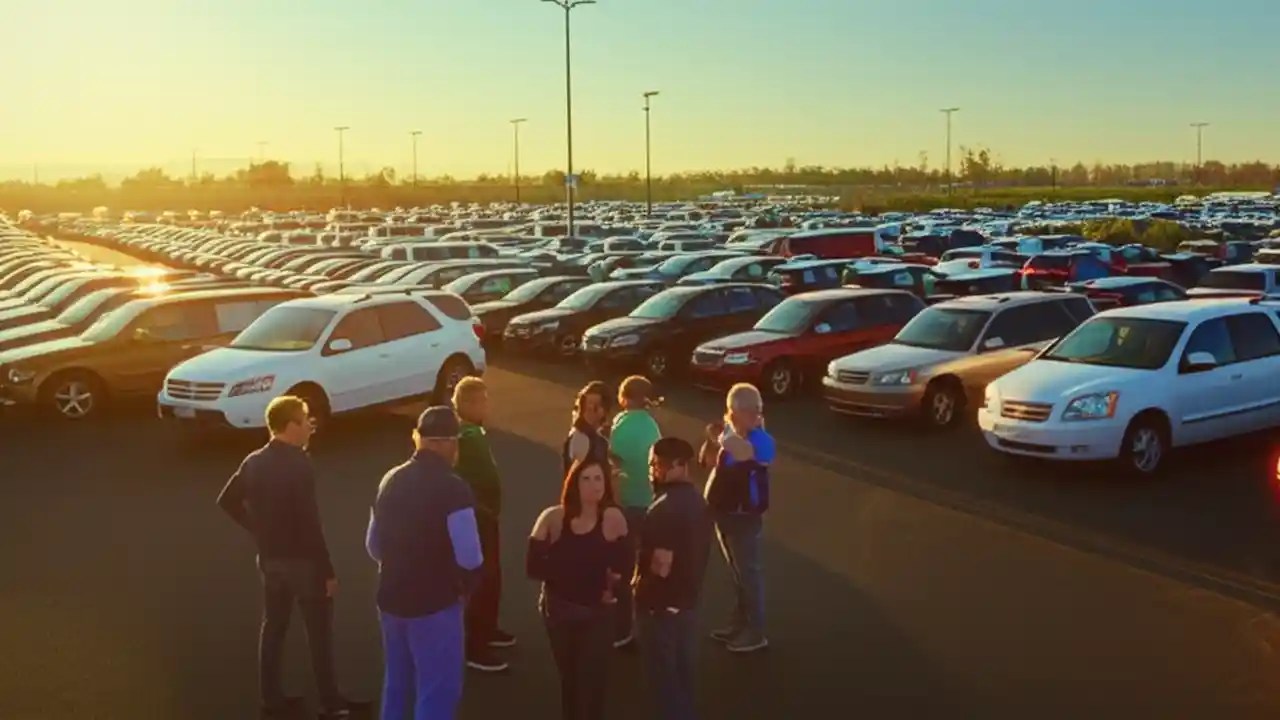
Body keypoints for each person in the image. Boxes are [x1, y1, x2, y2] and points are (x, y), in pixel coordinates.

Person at [216, 395, 362, 719]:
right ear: (289, 426)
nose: (311, 424)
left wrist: (258, 529)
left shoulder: (253, 461)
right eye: (305, 418)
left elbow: (226, 500)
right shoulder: (299, 464)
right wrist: (327, 571)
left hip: (270, 562)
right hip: (304, 564)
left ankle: (271, 698)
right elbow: (311, 524)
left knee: (274, 627)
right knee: (319, 633)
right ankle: (331, 702)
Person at [366, 406, 484, 720]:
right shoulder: (454, 488)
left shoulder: (389, 479)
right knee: (437, 690)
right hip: (435, 605)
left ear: (418, 438)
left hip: (391, 600)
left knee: (397, 683)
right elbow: (470, 556)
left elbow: (373, 545)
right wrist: (465, 588)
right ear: (448, 444)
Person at [527, 459, 630, 720]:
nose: (594, 485)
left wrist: (613, 589)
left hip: (597, 614)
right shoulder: (553, 518)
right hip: (560, 612)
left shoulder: (614, 518)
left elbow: (626, 564)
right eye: (586, 478)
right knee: (570, 678)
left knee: (594, 681)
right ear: (573, 483)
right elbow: (534, 567)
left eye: (598, 478)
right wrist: (576, 576)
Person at [635, 437, 713, 720]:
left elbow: (661, 565)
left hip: (661, 608)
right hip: (688, 603)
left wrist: (643, 596)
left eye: (658, 465)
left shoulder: (662, 509)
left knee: (664, 682)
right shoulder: (697, 502)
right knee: (684, 676)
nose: (654, 471)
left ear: (679, 466)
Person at [700, 383, 775, 653]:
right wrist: (716, 439)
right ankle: (739, 623)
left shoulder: (760, 440)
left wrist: (721, 435)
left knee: (749, 575)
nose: (756, 415)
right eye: (750, 410)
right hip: (724, 514)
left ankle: (756, 632)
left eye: (758, 410)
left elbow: (742, 452)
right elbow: (709, 460)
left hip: (744, 519)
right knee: (737, 574)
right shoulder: (730, 434)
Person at [452, 377, 514, 673]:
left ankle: (488, 629)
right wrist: (485, 508)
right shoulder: (466, 436)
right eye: (483, 400)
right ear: (467, 403)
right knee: (481, 579)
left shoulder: (474, 432)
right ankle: (475, 646)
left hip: (487, 517)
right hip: (479, 518)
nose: (487, 405)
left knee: (493, 576)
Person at [607, 375, 662, 648]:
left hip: (625, 503)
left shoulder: (619, 424)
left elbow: (612, 458)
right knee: (645, 567)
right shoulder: (652, 426)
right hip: (649, 502)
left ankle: (623, 628)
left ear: (623, 397)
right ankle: (646, 623)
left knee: (622, 568)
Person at [563, 380, 612, 478]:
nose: (589, 411)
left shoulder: (598, 434)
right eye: (586, 406)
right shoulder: (581, 437)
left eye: (595, 407)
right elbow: (581, 475)